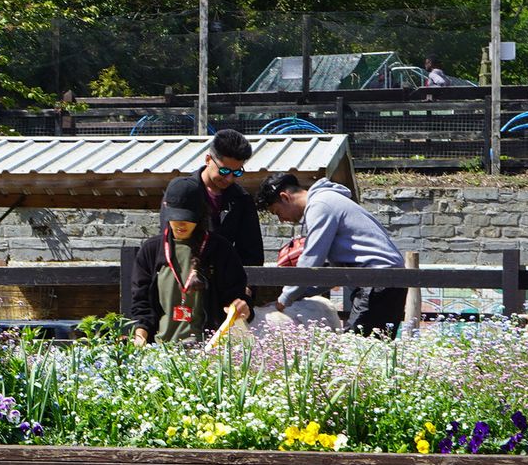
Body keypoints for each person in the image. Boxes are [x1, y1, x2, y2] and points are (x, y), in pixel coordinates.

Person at [254, 173, 406, 336]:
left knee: (357, 348)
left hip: (376, 280)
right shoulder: (328, 200)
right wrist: (299, 294)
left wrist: (283, 300)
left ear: (285, 197)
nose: (282, 220)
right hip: (387, 280)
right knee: (376, 345)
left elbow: (311, 260)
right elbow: (332, 274)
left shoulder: (320, 205)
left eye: (277, 212)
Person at [128, 175, 250, 346]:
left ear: (201, 213)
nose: (180, 224)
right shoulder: (151, 250)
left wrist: (241, 307)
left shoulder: (221, 249)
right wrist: (140, 335)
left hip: (208, 349)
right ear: (166, 209)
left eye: (188, 217)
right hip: (159, 349)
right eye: (175, 217)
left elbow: (236, 297)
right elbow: (141, 303)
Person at [168, 128, 263, 267]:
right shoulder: (182, 192)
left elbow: (251, 251)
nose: (229, 178)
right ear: (208, 159)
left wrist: (247, 285)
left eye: (237, 172)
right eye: (224, 171)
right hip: (184, 273)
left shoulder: (242, 199)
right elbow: (168, 238)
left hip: (224, 279)